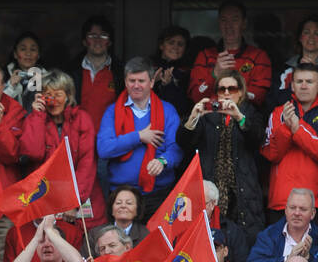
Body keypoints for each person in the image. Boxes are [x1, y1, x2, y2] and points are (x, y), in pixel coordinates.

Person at [177, 71, 265, 247]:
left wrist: (239, 117)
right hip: (212, 190)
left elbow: (257, 139)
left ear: (241, 91)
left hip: (242, 191)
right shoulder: (207, 114)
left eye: (231, 88)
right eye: (221, 89)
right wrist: (193, 116)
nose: (226, 93)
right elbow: (183, 143)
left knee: (242, 242)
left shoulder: (250, 113)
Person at [19, 69, 104, 224]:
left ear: (68, 96)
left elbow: (87, 164)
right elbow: (33, 152)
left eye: (58, 95)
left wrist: (74, 201)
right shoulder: (35, 119)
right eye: (48, 95)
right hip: (46, 197)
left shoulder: (82, 119)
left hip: (81, 196)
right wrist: (37, 115)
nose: (53, 100)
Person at [97, 57, 182, 207]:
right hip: (121, 195)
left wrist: (163, 161)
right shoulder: (112, 112)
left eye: (141, 81)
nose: (136, 86)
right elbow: (104, 149)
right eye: (132, 80)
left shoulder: (167, 110)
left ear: (152, 82)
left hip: (159, 193)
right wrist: (139, 136)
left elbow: (177, 148)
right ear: (125, 82)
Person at [188, 2, 272, 108]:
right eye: (224, 20)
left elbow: (259, 97)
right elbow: (196, 97)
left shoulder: (258, 56)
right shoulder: (204, 56)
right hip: (210, 119)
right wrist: (214, 74)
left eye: (235, 20)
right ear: (219, 24)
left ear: (244, 23)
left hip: (244, 119)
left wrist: (229, 93)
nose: (229, 25)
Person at [261, 63, 318, 216]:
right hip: (282, 201)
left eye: (310, 82)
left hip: (315, 203)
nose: (304, 86)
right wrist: (286, 128)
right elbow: (270, 154)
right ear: (292, 86)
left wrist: (297, 130)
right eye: (299, 82)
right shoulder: (278, 113)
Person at [248, 188, 318, 262]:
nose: (297, 213)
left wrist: (310, 259)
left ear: (312, 213)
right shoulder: (269, 235)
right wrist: (286, 260)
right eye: (292, 208)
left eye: (303, 209)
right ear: (286, 210)